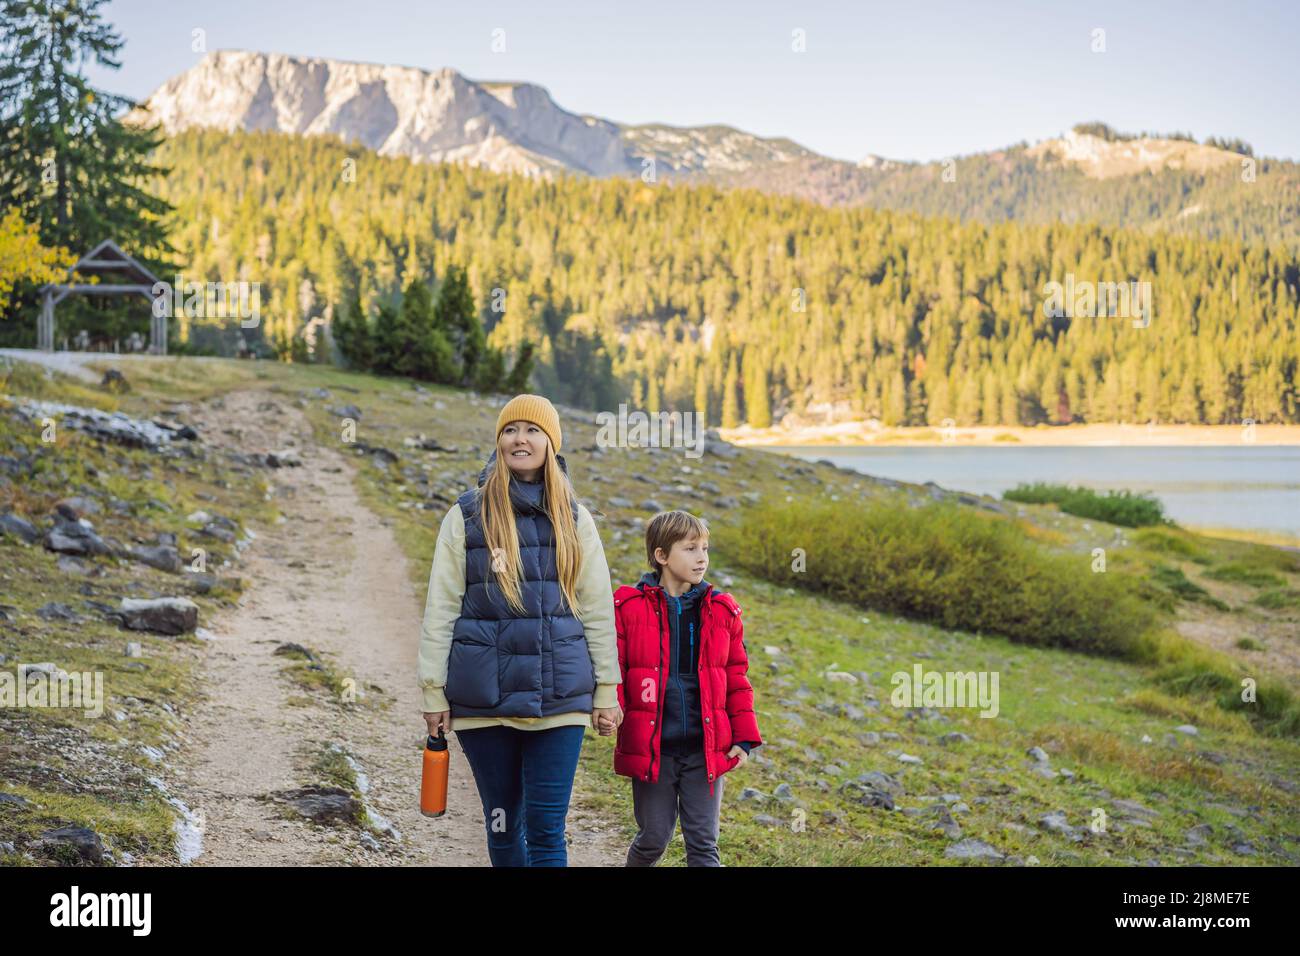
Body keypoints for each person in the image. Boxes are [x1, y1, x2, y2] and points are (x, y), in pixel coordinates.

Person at [418, 393, 622, 866]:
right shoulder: (466, 515)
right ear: (498, 441)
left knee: (549, 830)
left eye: (532, 430)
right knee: (504, 822)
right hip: (482, 700)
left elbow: (596, 608)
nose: (520, 439)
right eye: (510, 430)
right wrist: (433, 693)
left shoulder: (575, 517)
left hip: (560, 698)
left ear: (551, 442)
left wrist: (606, 689)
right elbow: (440, 609)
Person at [605, 509, 763, 866]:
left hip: (705, 750)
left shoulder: (722, 611)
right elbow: (616, 667)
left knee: (704, 845)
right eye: (691, 548)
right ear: (662, 556)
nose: (702, 557)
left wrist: (744, 737)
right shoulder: (628, 607)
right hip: (653, 748)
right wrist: (610, 707)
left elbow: (737, 678)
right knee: (652, 839)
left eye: (705, 548)